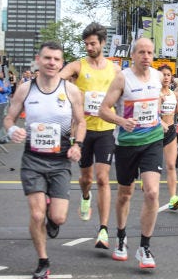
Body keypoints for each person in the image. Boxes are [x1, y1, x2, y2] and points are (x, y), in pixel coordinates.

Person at [4, 42, 86, 279]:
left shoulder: (70, 90)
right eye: (47, 58)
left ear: (61, 63)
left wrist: (77, 145)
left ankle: (52, 212)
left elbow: (81, 122)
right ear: (38, 60)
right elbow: (9, 119)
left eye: (56, 59)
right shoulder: (25, 89)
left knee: (57, 217)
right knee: (37, 214)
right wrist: (11, 132)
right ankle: (43, 260)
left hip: (60, 160)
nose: (52, 63)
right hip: (33, 159)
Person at [95, 38, 166, 269]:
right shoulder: (123, 78)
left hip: (152, 140)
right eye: (142, 52)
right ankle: (121, 236)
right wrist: (122, 121)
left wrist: (161, 121)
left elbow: (155, 104)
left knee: (152, 192)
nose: (146, 56)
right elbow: (103, 110)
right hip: (126, 144)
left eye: (150, 53)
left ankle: (145, 246)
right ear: (133, 55)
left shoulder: (157, 77)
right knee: (125, 193)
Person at [59, 22, 119, 249]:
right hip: (83, 129)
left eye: (93, 43)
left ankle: (103, 230)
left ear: (103, 43)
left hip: (105, 130)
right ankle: (85, 197)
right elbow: (60, 78)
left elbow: (126, 90)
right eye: (86, 44)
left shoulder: (114, 69)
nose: (89, 47)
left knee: (103, 178)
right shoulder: (78, 65)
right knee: (86, 179)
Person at [158, 64, 178, 211]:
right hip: (155, 132)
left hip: (170, 131)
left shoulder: (173, 94)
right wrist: (160, 122)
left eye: (168, 75)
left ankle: (173, 197)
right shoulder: (156, 94)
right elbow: (152, 112)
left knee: (170, 165)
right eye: (164, 75)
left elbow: (176, 108)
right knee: (152, 166)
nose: (166, 77)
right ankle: (146, 181)